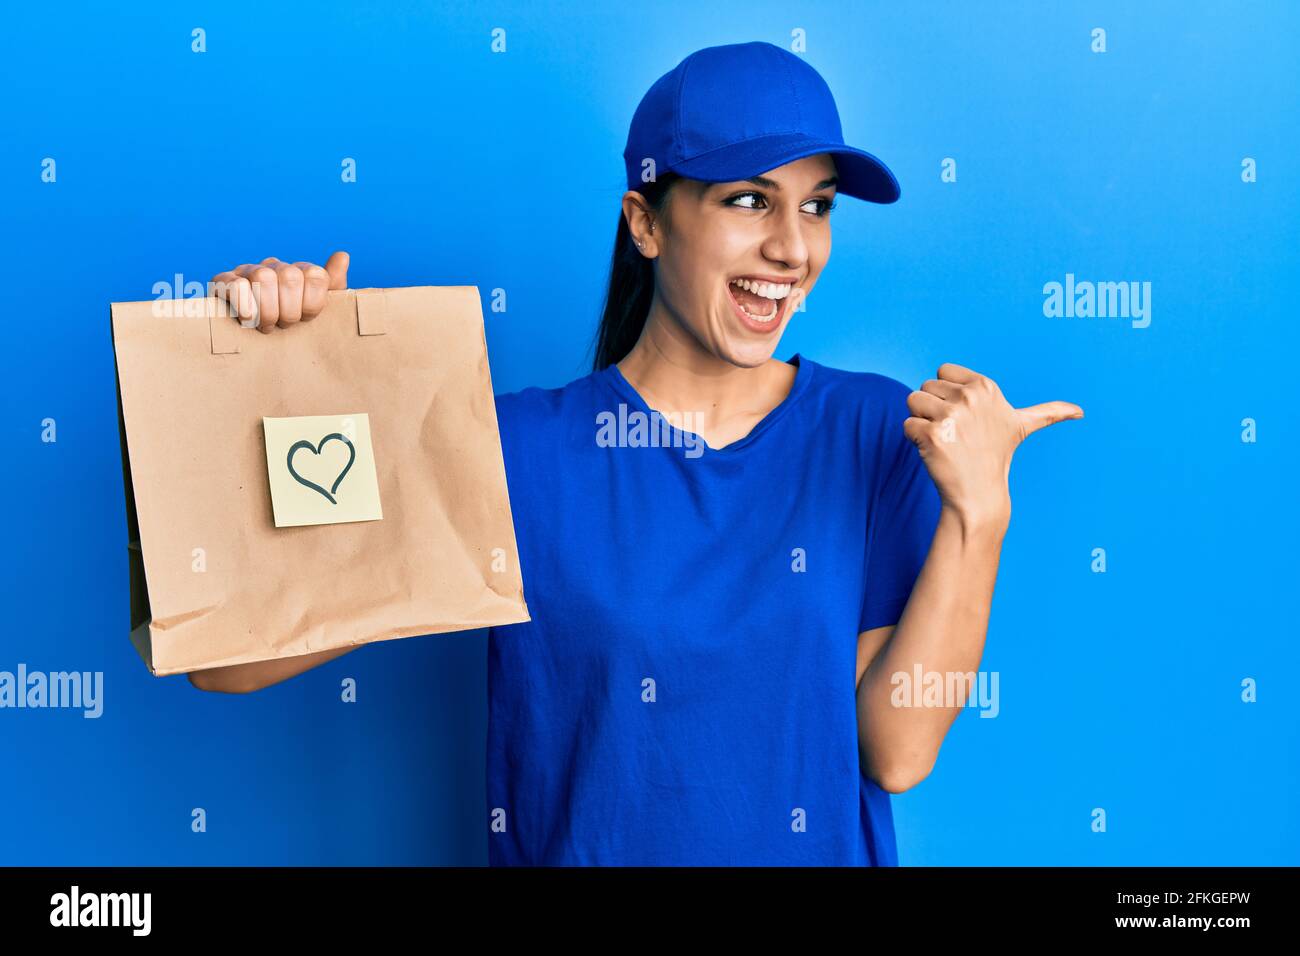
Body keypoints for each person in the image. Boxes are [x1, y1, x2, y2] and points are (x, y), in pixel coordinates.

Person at [187, 41, 1083, 865]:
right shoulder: (516, 453)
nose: (791, 247)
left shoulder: (872, 434)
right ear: (646, 223)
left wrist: (980, 513)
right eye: (747, 200)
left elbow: (898, 751)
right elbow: (228, 660)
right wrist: (275, 375)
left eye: (815, 207)